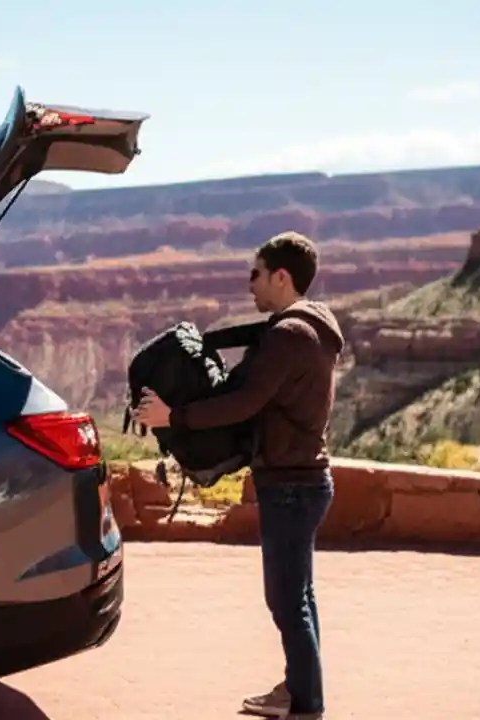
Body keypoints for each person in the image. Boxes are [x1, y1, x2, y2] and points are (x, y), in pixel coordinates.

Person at [133, 231, 344, 720]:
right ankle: (298, 687)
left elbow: (242, 402)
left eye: (255, 274)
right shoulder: (312, 326)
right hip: (305, 480)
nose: (249, 284)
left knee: (287, 601)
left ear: (281, 276)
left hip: (291, 485)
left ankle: (306, 702)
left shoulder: (289, 335)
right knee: (299, 597)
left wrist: (174, 417)